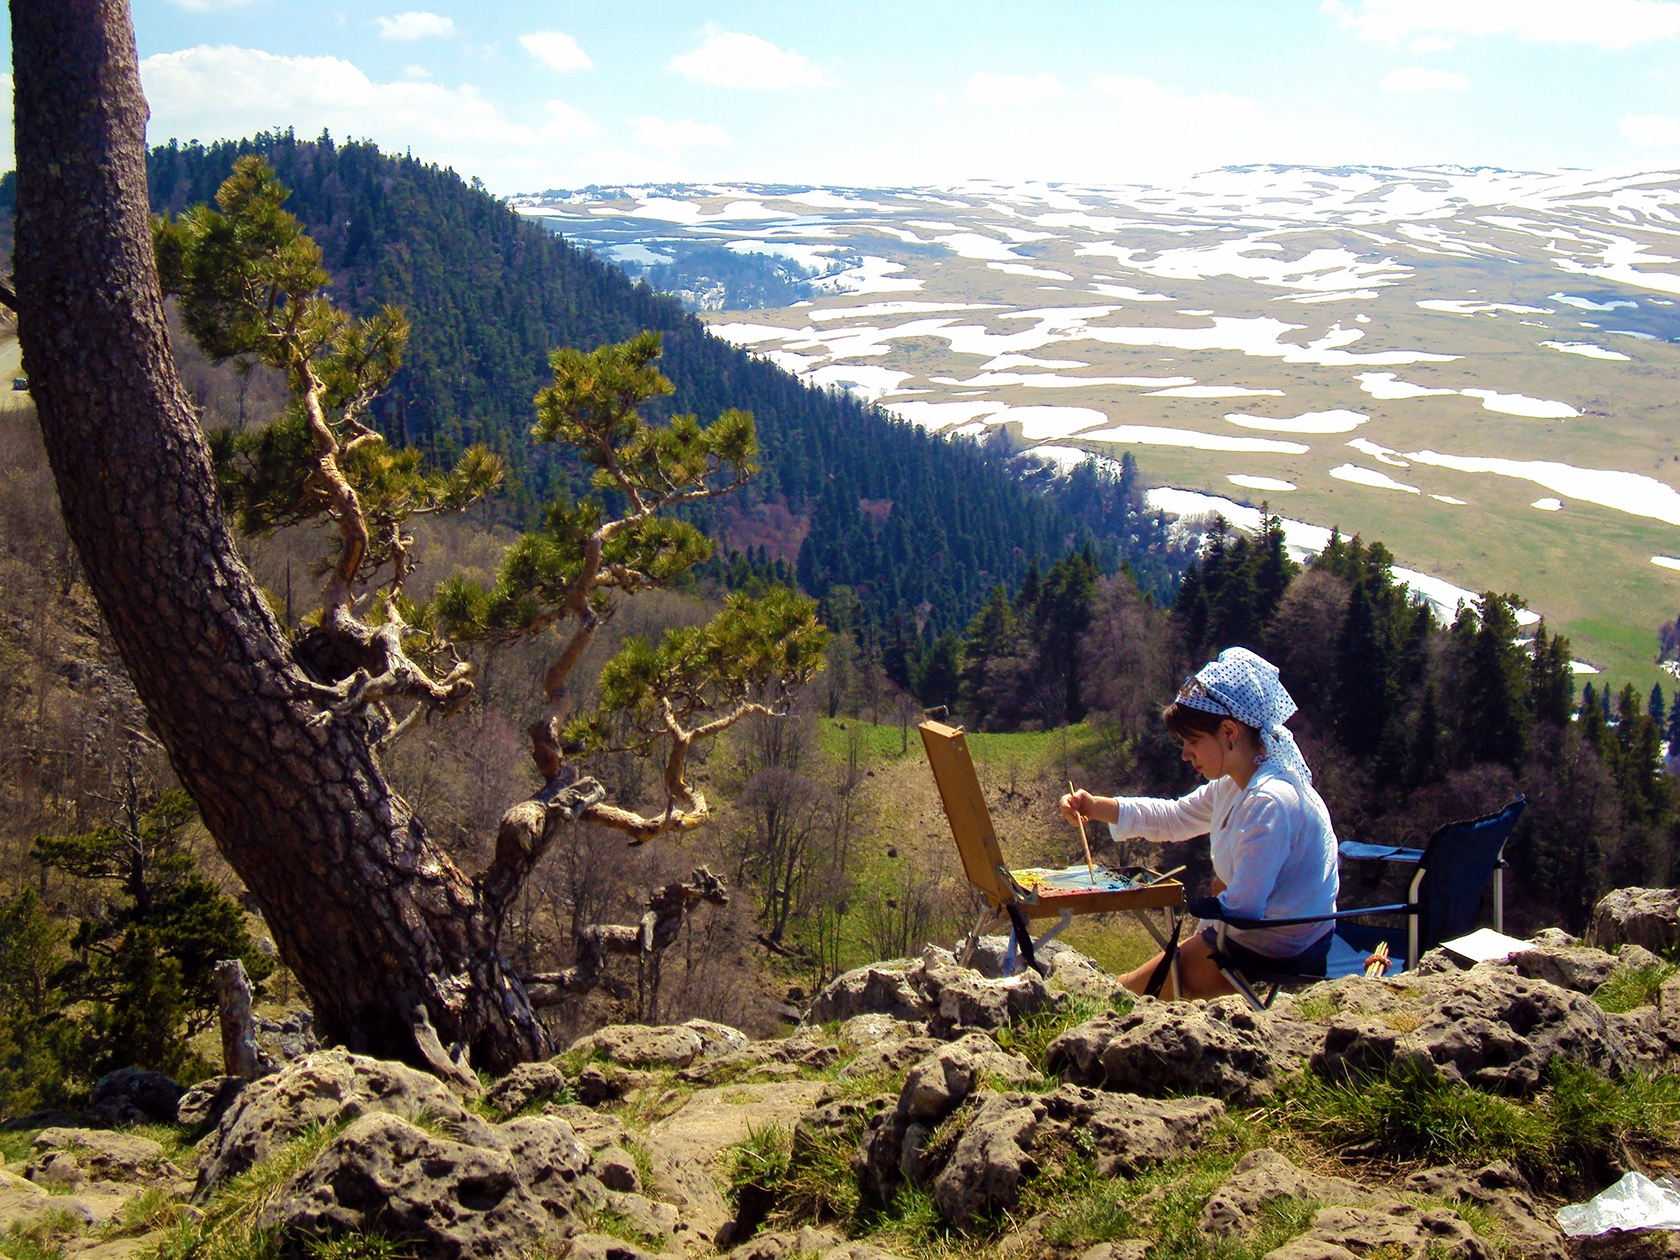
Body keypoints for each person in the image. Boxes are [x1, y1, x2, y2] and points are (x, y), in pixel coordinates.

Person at [1060, 647, 1338, 1000]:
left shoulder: (1268, 802)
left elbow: (1243, 908)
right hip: (1257, 935)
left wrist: (1220, 888)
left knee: (1121, 999)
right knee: (1128, 992)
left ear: (1228, 731)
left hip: (1272, 944)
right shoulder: (1234, 786)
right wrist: (1094, 807)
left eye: (1193, 741)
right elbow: (1173, 817)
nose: (1185, 754)